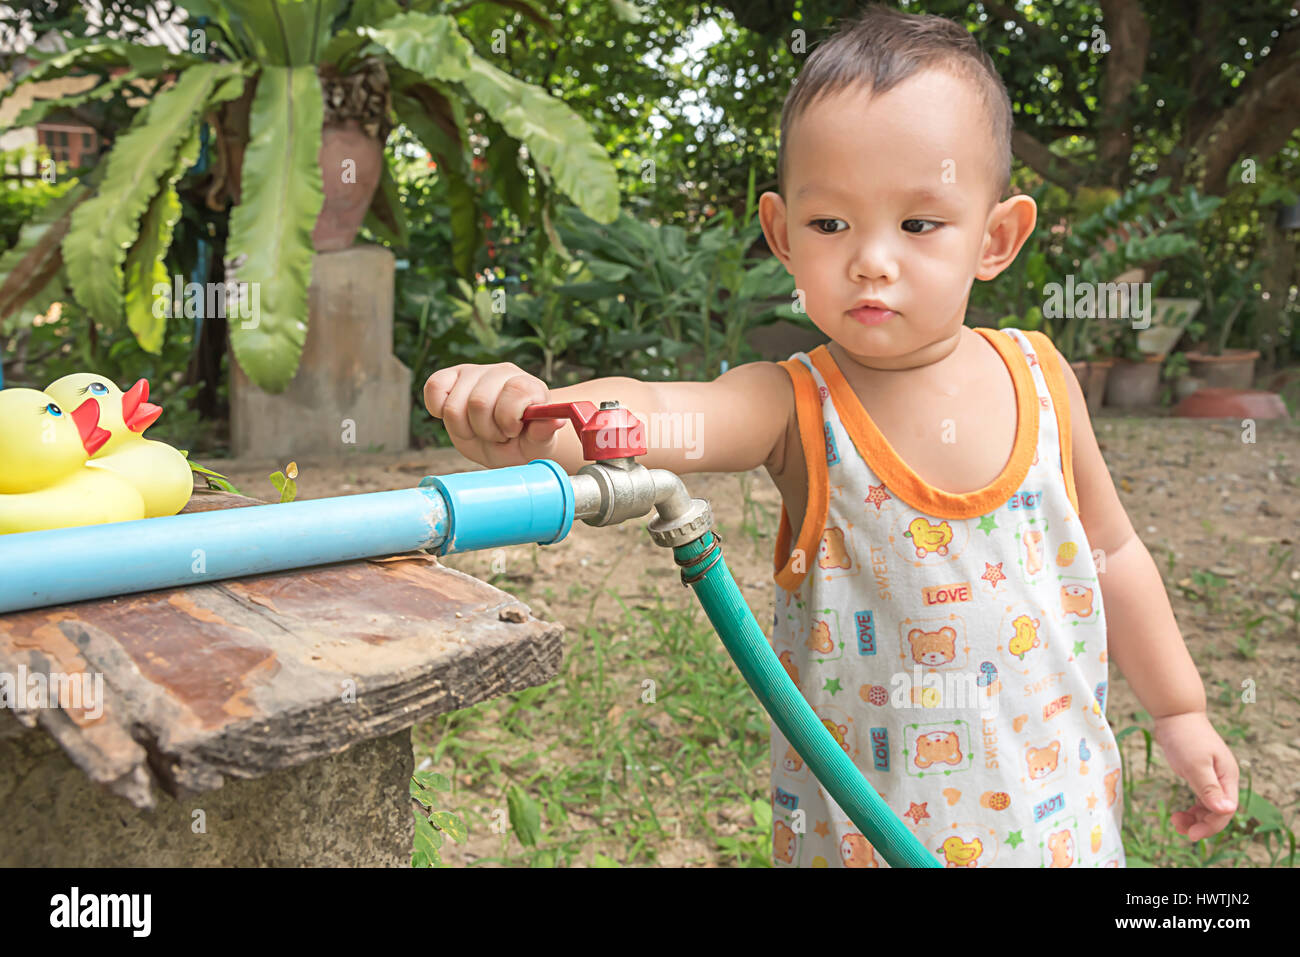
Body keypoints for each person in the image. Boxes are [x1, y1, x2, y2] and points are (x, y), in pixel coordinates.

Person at [423, 3, 1239, 867]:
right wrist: (539, 415)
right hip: (863, 844)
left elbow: (1114, 553)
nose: (872, 259)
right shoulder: (794, 407)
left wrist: (1180, 710)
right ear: (781, 233)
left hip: (1058, 826)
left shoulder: (1044, 380)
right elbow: (659, 413)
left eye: (919, 224)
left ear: (996, 238)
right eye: (830, 224)